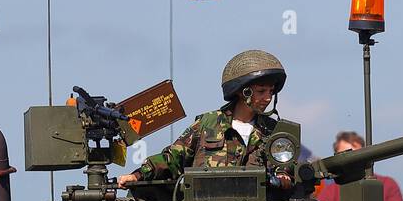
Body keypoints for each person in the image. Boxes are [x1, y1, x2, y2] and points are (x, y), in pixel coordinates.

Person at [117, 50, 292, 187]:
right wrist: (138, 175)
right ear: (242, 91)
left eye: (271, 91)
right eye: (261, 91)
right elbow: (173, 158)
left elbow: (287, 166)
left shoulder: (275, 131)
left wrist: (284, 176)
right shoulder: (208, 124)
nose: (268, 98)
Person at [316, 130, 403, 201]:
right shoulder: (331, 191)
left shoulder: (387, 184)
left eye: (357, 154)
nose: (353, 160)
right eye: (346, 155)